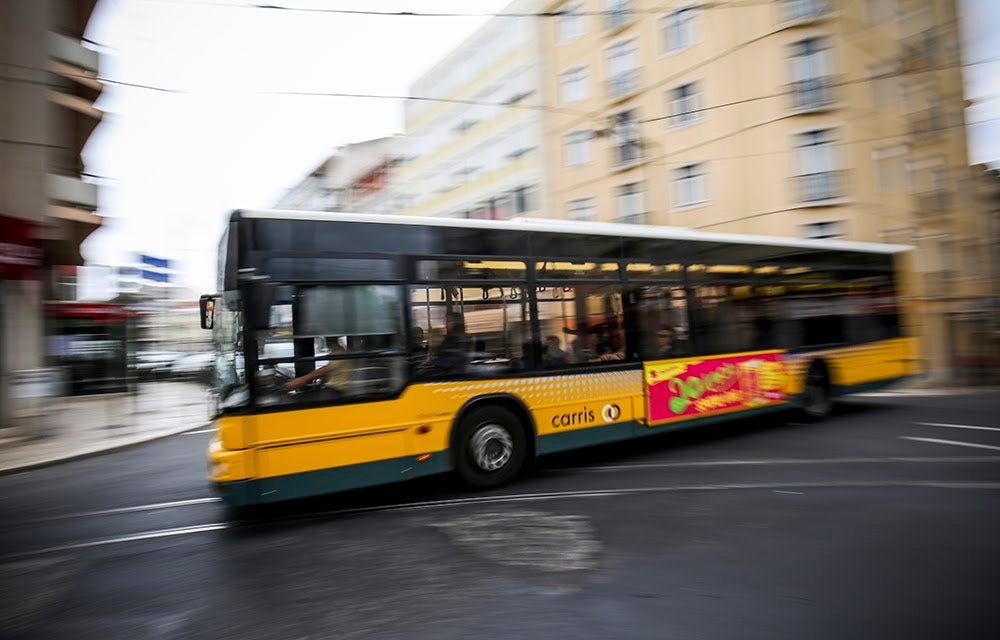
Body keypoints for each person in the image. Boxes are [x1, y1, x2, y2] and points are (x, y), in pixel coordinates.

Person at [283, 337, 354, 395]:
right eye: (326, 339)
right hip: (331, 390)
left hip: (336, 391)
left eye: (329, 339)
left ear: (335, 339)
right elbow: (328, 373)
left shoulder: (339, 352)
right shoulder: (336, 351)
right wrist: (319, 384)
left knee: (298, 400)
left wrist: (292, 384)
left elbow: (322, 372)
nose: (327, 341)